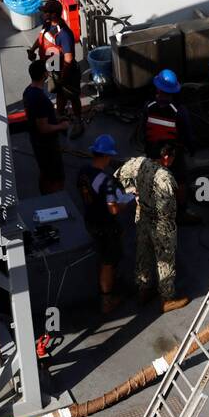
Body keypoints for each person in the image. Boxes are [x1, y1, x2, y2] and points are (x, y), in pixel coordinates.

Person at [116, 152, 190, 313]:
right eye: (171, 158)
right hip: (160, 222)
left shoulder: (138, 162)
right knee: (165, 258)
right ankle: (167, 298)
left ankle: (143, 290)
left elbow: (120, 173)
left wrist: (133, 192)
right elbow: (167, 206)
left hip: (141, 216)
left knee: (143, 253)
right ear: (166, 157)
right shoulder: (165, 177)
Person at [77, 134, 133, 314]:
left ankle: (110, 284)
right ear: (108, 156)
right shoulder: (107, 181)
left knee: (104, 255)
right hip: (105, 226)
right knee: (108, 261)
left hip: (90, 219)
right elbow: (114, 209)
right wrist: (130, 198)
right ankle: (107, 300)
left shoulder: (83, 172)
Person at [31, 0, 84, 139]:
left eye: (46, 12)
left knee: (73, 96)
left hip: (67, 72)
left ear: (54, 14)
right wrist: (33, 49)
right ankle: (59, 116)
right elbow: (41, 38)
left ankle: (78, 120)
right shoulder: (47, 25)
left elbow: (69, 58)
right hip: (54, 68)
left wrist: (63, 76)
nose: (43, 14)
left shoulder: (64, 34)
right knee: (60, 93)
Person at [24, 59, 69, 193]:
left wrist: (56, 118)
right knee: (56, 177)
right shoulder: (40, 99)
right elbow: (43, 128)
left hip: (36, 141)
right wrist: (62, 126)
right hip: (47, 145)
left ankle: (44, 195)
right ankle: (56, 200)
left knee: (44, 171)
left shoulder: (28, 92)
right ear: (44, 75)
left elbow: (36, 117)